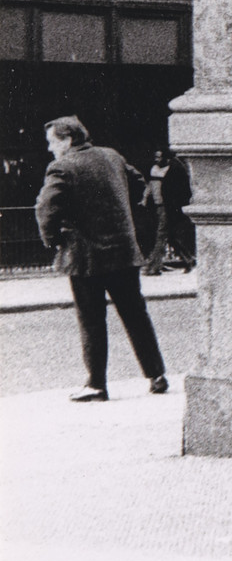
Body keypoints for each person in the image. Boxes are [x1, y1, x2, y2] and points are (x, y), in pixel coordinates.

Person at [35, 116, 168, 402]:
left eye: (52, 142)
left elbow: (46, 209)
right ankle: (156, 375)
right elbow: (139, 183)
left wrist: (53, 240)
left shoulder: (62, 167)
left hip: (85, 257)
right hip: (123, 252)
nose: (50, 149)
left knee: (92, 321)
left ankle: (96, 384)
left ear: (67, 139)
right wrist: (120, 212)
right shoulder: (112, 156)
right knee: (136, 315)